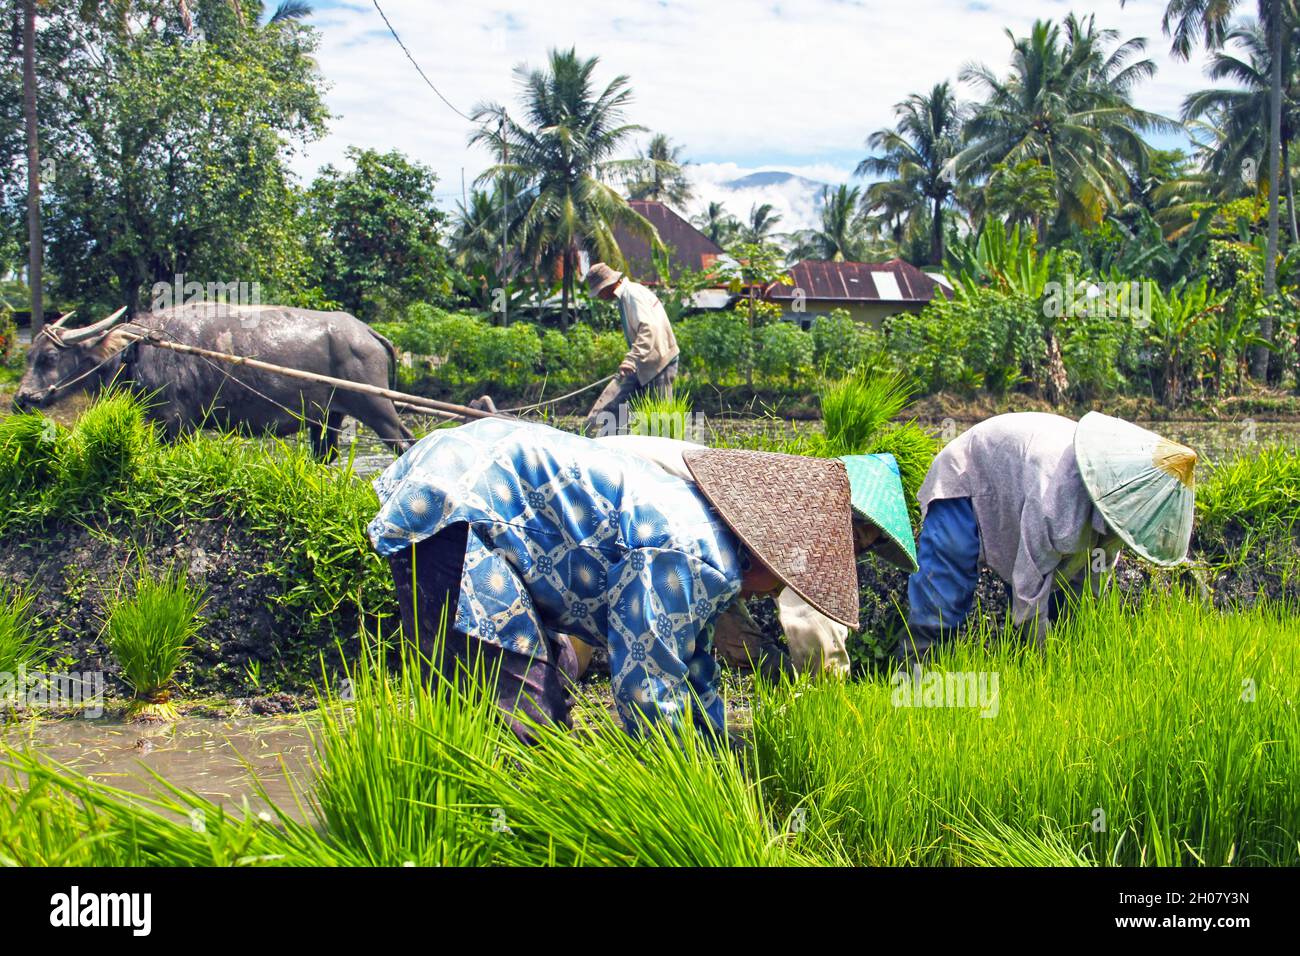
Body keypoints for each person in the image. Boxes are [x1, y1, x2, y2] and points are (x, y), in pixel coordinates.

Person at [367, 417, 862, 743]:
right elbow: (643, 680)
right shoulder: (693, 554)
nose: (774, 594)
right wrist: (678, 781)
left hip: (472, 482)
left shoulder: (709, 545)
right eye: (781, 582)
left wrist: (718, 746)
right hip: (461, 505)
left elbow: (692, 666)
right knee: (519, 717)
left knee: (541, 688)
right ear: (764, 556)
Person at [586, 434, 919, 679]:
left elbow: (724, 611)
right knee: (581, 628)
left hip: (616, 486)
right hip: (605, 492)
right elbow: (813, 620)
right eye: (857, 538)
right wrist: (827, 691)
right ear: (837, 513)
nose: (854, 553)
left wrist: (770, 666)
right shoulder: (798, 524)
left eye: (865, 546)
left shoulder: (773, 496)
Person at [898, 411, 1198, 663]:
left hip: (1017, 485)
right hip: (968, 479)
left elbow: (1093, 579)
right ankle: (911, 678)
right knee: (942, 603)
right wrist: (1045, 660)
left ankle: (1019, 666)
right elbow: (1029, 585)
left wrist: (1075, 640)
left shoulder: (1118, 514)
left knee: (1064, 601)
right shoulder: (1056, 502)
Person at [582, 263, 679, 436]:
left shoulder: (632, 294)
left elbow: (648, 328)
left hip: (659, 362)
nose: (599, 297)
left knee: (660, 418)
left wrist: (631, 359)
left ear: (607, 285)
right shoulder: (626, 296)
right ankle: (600, 440)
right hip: (644, 362)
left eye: (599, 292)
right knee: (615, 404)